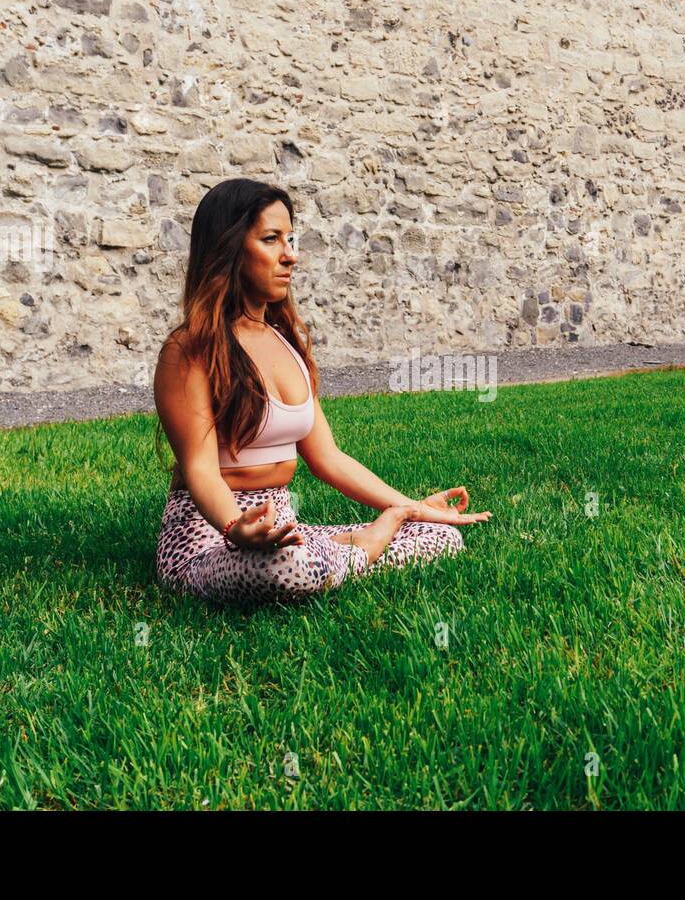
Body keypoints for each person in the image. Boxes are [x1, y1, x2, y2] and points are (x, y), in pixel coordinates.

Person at [153, 178, 490, 606]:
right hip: (207, 540)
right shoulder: (189, 349)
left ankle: (354, 543)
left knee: (439, 537)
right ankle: (365, 543)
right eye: (271, 240)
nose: (290, 255)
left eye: (290, 239)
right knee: (287, 568)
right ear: (229, 247)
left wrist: (416, 507)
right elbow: (201, 470)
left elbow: (327, 458)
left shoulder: (284, 342)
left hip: (287, 531)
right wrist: (235, 527)